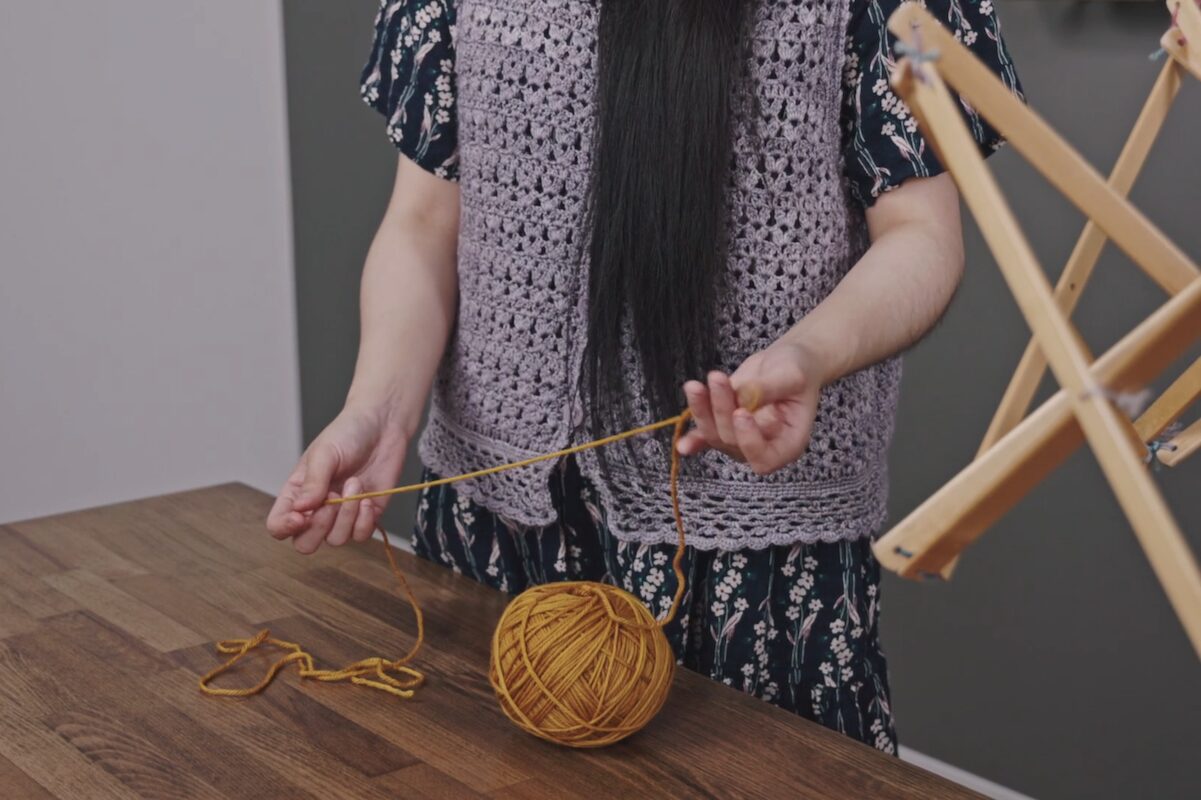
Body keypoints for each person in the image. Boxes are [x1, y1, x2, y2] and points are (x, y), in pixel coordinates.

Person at [267, 0, 1021, 753]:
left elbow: (922, 233)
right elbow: (425, 222)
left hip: (756, 556)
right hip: (493, 528)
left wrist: (808, 355)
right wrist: (377, 409)